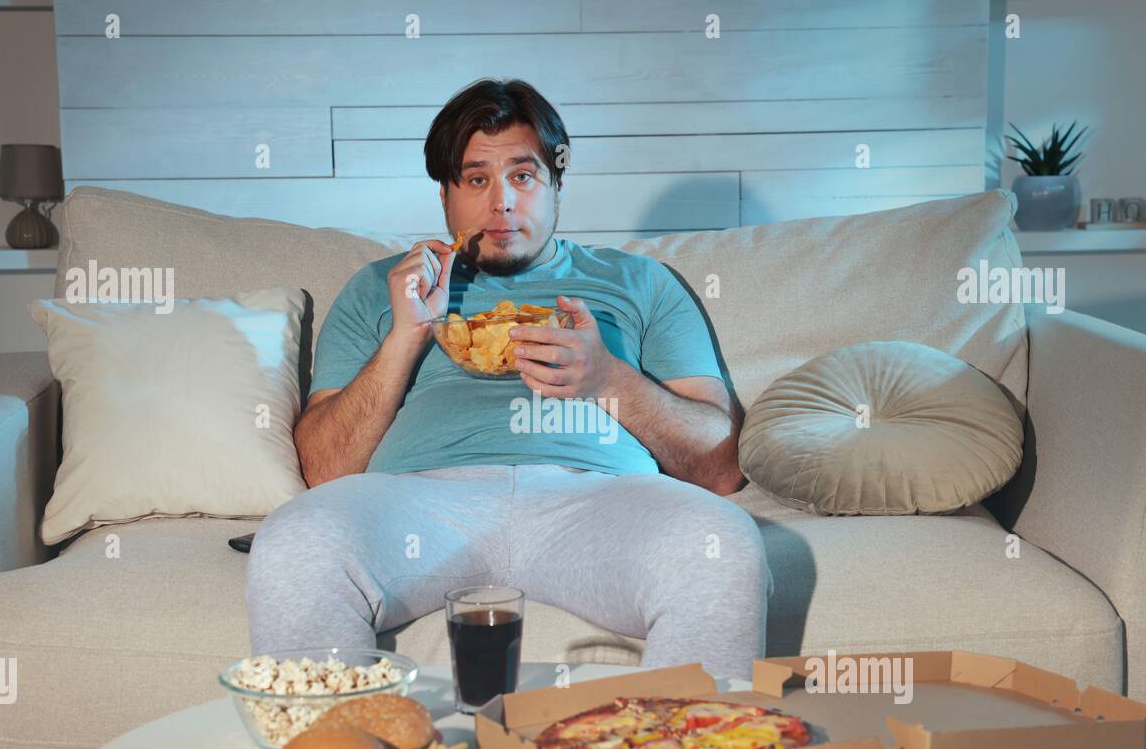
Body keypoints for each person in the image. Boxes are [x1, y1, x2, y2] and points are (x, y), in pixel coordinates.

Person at [246, 78, 772, 680]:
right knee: (294, 539)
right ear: (444, 194)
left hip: (597, 503)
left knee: (722, 541)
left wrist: (608, 380)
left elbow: (721, 468)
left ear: (555, 186)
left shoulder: (642, 282)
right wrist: (406, 336)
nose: (501, 204)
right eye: (476, 179)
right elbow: (324, 472)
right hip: (418, 503)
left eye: (523, 176)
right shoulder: (382, 287)